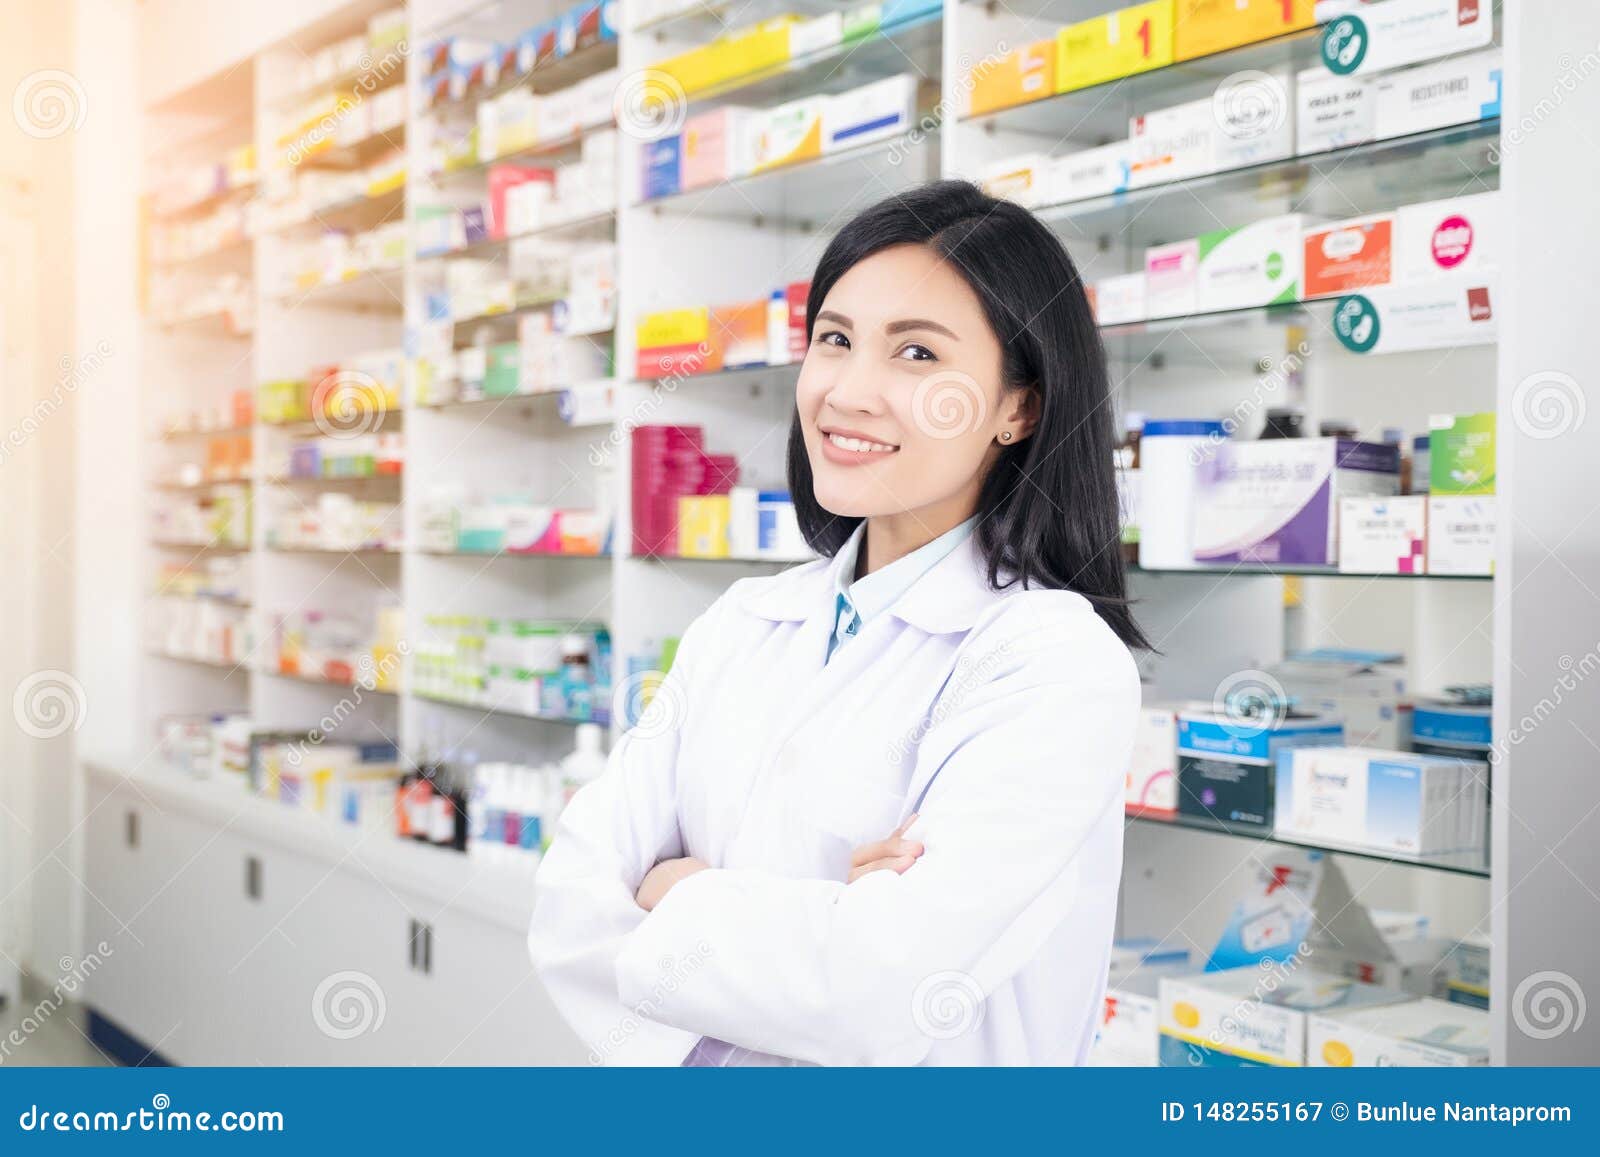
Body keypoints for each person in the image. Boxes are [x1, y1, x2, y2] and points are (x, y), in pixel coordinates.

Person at [528, 179, 1148, 1066]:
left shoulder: (1052, 663)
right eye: (834, 339)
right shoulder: (743, 623)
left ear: (1021, 405)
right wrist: (813, 915)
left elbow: (880, 989)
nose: (849, 392)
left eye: (918, 355)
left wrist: (678, 890)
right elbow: (570, 904)